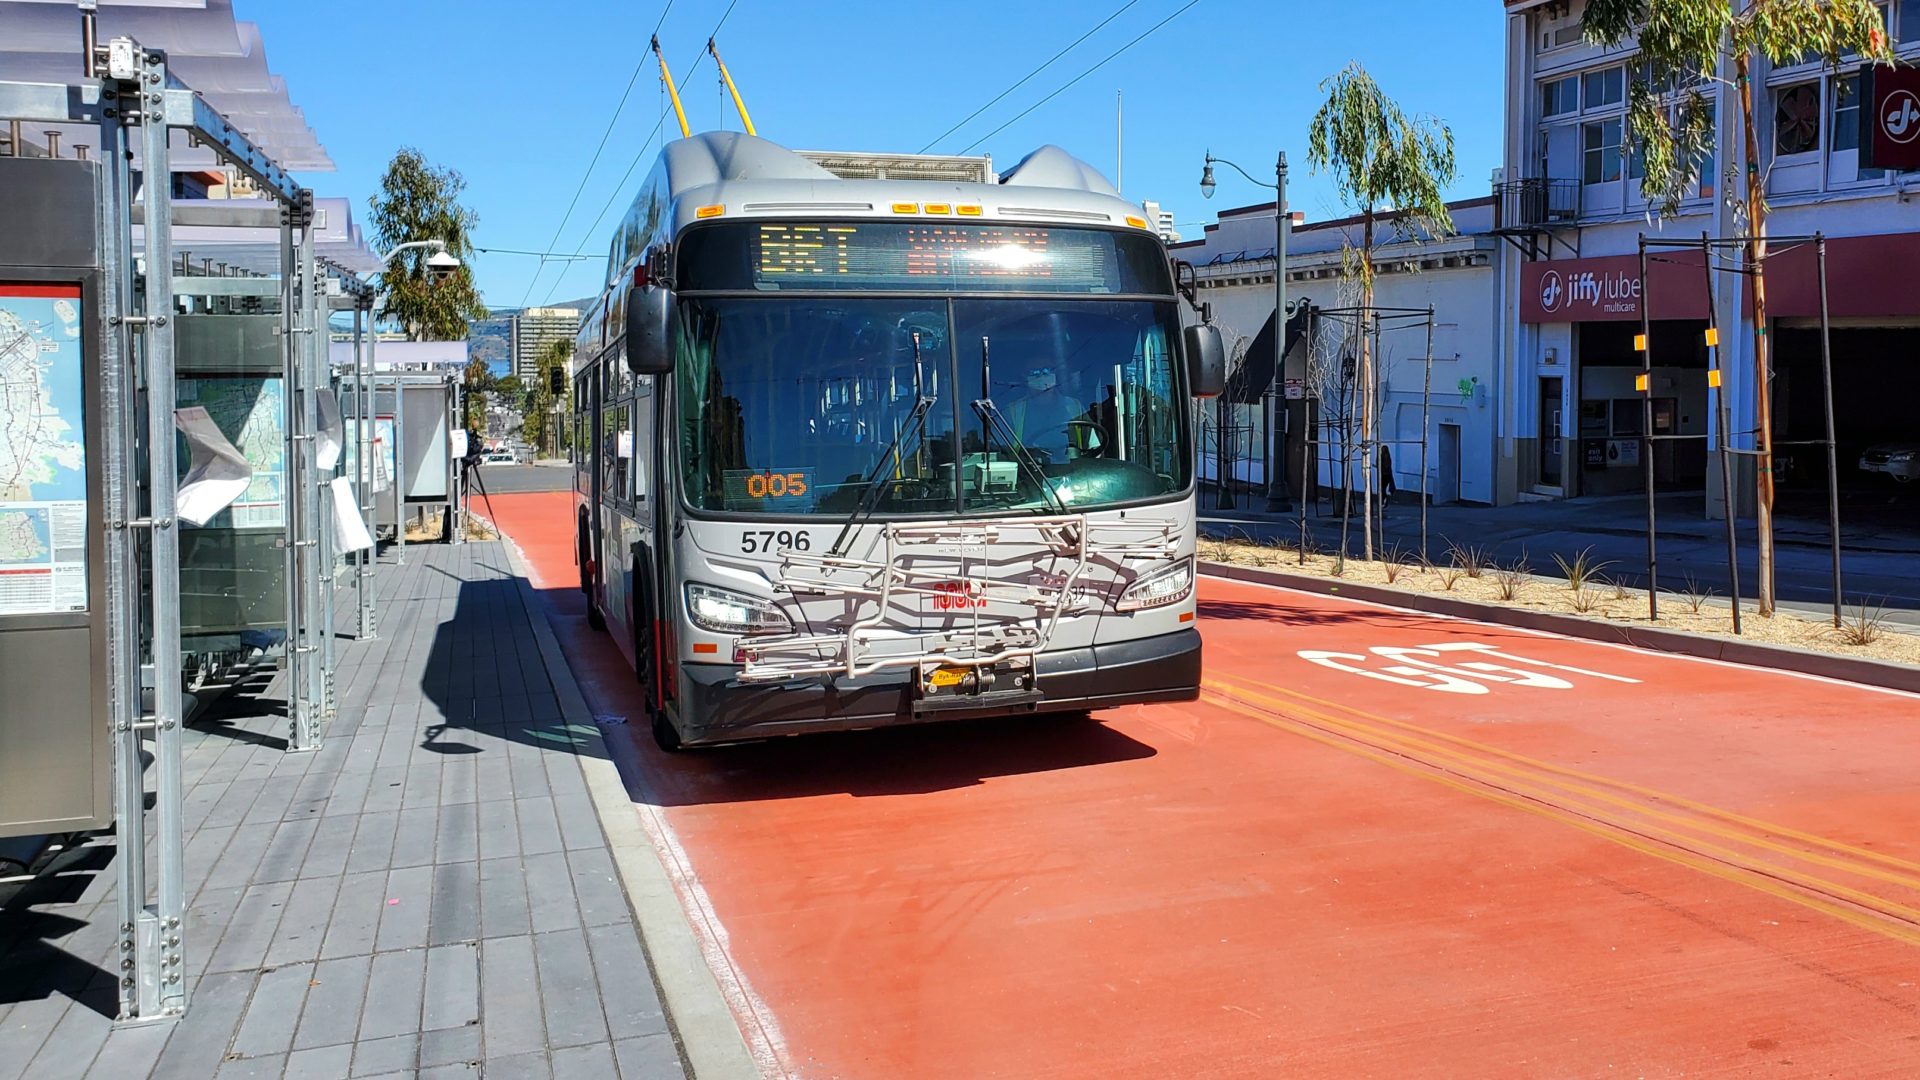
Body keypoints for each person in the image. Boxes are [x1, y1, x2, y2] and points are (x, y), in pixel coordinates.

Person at [1005, 363, 1084, 463]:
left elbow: (1095, 448)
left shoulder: (1074, 406)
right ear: (1024, 377)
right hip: (1028, 474)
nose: (1042, 376)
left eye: (1047, 370)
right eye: (1035, 372)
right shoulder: (1013, 411)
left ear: (1055, 373)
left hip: (1075, 475)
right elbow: (1000, 454)